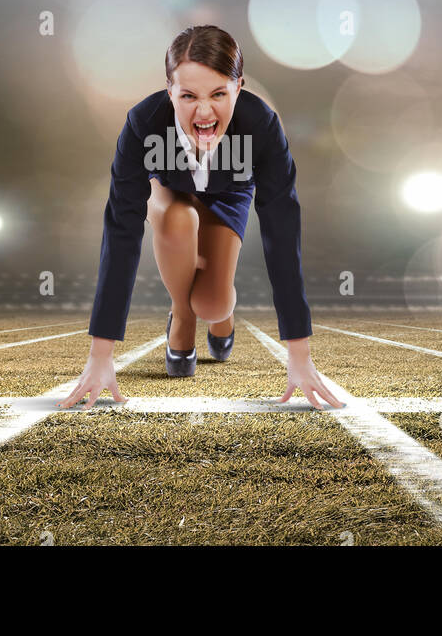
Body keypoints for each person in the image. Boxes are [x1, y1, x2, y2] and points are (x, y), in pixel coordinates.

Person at [58, 25, 343, 410]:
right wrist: (100, 355)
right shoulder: (143, 123)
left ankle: (217, 316)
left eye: (219, 94)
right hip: (171, 192)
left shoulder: (262, 125)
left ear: (238, 87)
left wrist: (300, 356)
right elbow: (121, 229)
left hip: (228, 196)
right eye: (188, 95)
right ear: (169, 89)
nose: (204, 111)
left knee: (213, 304)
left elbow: (281, 228)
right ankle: (182, 317)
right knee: (179, 220)